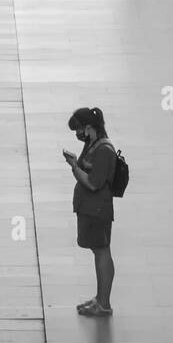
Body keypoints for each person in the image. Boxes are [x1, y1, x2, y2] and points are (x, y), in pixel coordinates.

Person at [62, 107, 116, 317]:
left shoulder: (104, 150)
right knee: (98, 251)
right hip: (89, 208)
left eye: (79, 130)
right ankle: (100, 299)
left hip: (98, 209)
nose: (78, 134)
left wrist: (74, 167)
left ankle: (104, 304)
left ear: (89, 127)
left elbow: (93, 184)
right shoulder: (91, 144)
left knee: (102, 252)